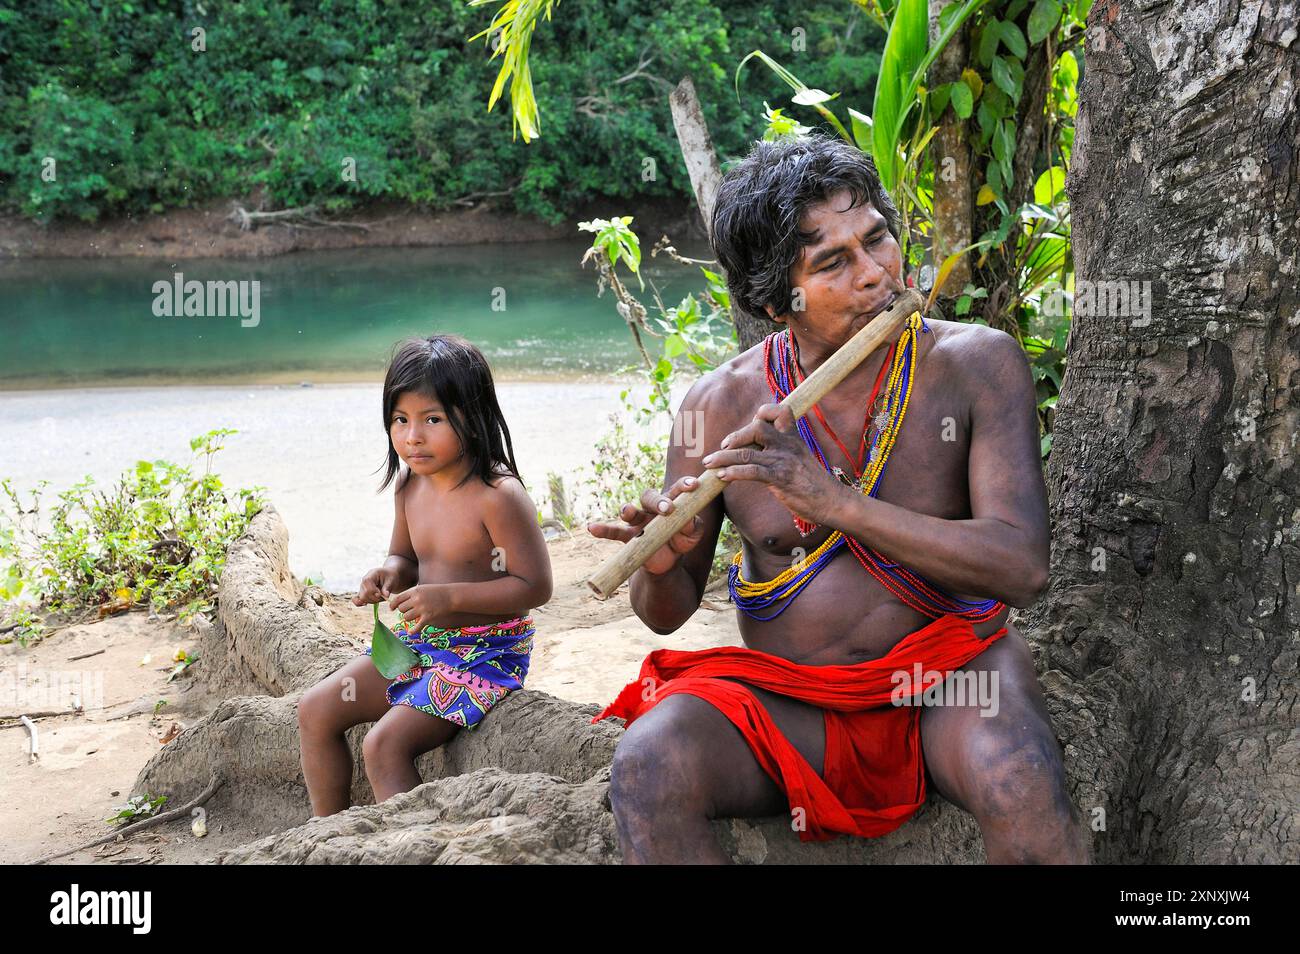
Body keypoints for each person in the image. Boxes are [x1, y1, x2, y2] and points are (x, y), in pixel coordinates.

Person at [587, 131, 1090, 863]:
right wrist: (661, 563)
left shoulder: (976, 365)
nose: (876, 274)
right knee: (648, 764)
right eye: (833, 262)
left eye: (877, 239)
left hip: (950, 678)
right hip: (793, 698)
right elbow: (664, 614)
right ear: (773, 299)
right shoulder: (718, 404)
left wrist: (835, 504)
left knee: (1018, 775)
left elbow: (1023, 569)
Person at [298, 334, 553, 817]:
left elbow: (535, 586)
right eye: (400, 420)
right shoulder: (409, 485)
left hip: (487, 654)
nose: (413, 436)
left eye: (432, 419)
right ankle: (326, 833)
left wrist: (448, 598)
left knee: (383, 746)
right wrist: (388, 574)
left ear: (472, 418)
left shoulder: (497, 495)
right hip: (422, 642)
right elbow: (405, 557)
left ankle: (412, 843)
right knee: (315, 709)